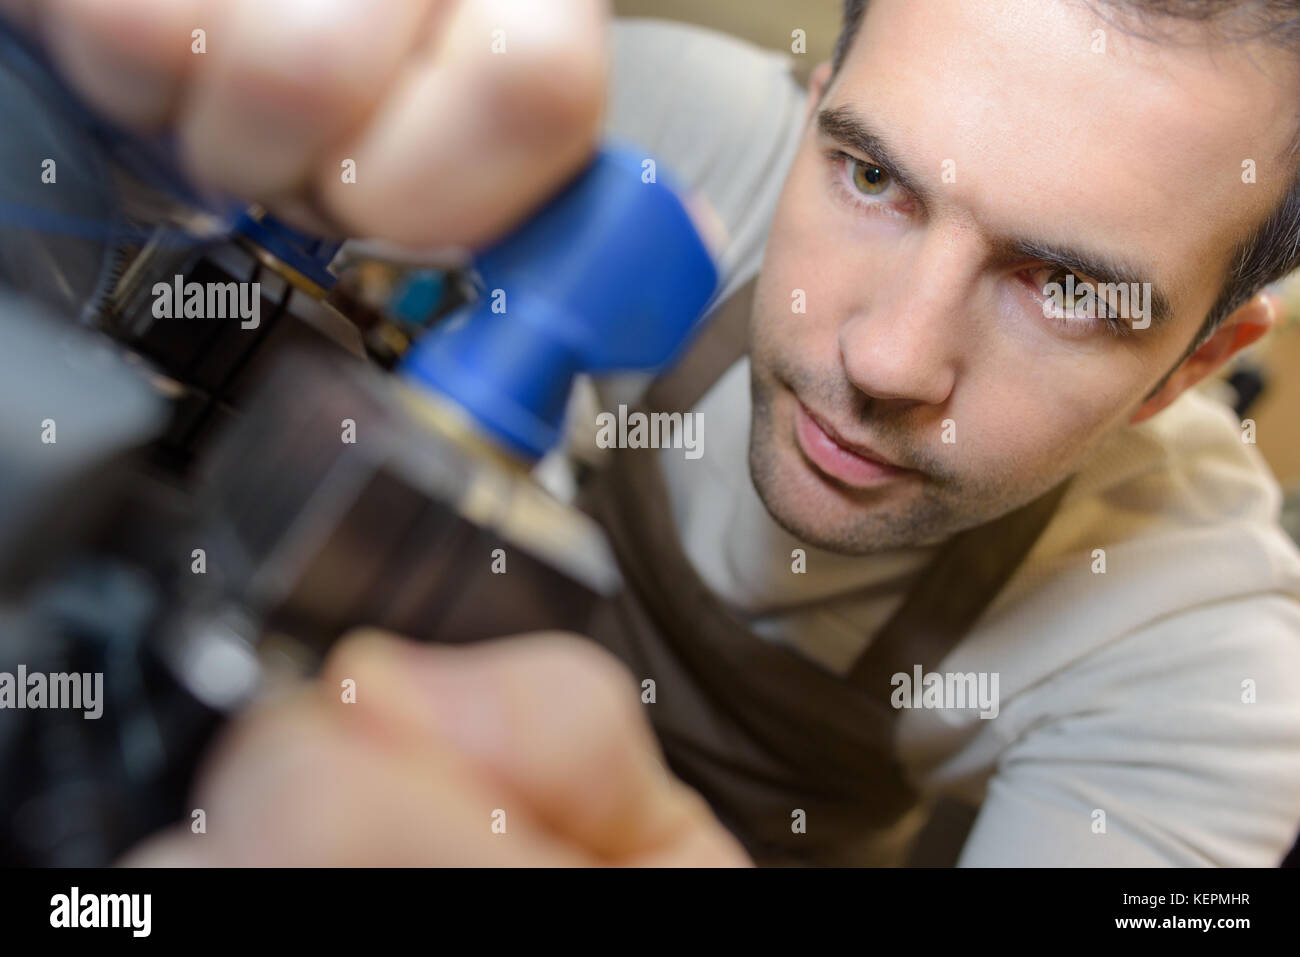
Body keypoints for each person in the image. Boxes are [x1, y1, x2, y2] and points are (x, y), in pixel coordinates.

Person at [14, 0, 1300, 866]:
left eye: (1065, 290)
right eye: (870, 178)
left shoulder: (1207, 686)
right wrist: (113, 136)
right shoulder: (658, 136)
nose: (886, 357)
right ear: (810, 106)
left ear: (1190, 366)